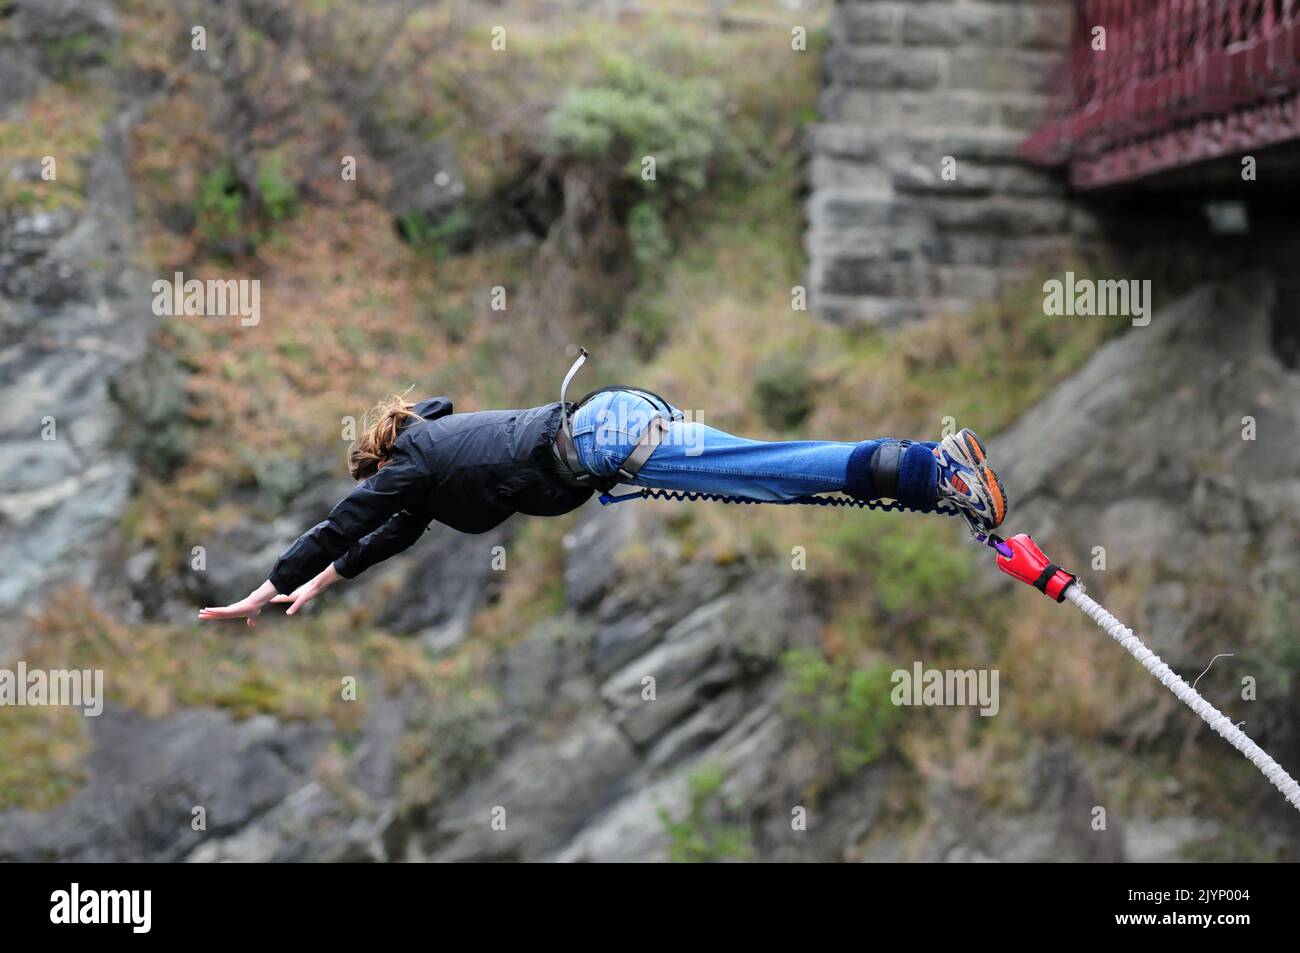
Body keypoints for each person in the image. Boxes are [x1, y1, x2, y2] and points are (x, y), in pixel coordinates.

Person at [198, 359, 1007, 627]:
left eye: (377, 484)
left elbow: (347, 522)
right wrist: (315, 586)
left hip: (607, 438)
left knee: (773, 468)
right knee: (769, 478)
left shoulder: (412, 464)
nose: (383, 497)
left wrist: (262, 586)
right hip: (614, 429)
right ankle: (934, 485)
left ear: (381, 463)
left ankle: (935, 469)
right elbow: (379, 538)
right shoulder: (429, 472)